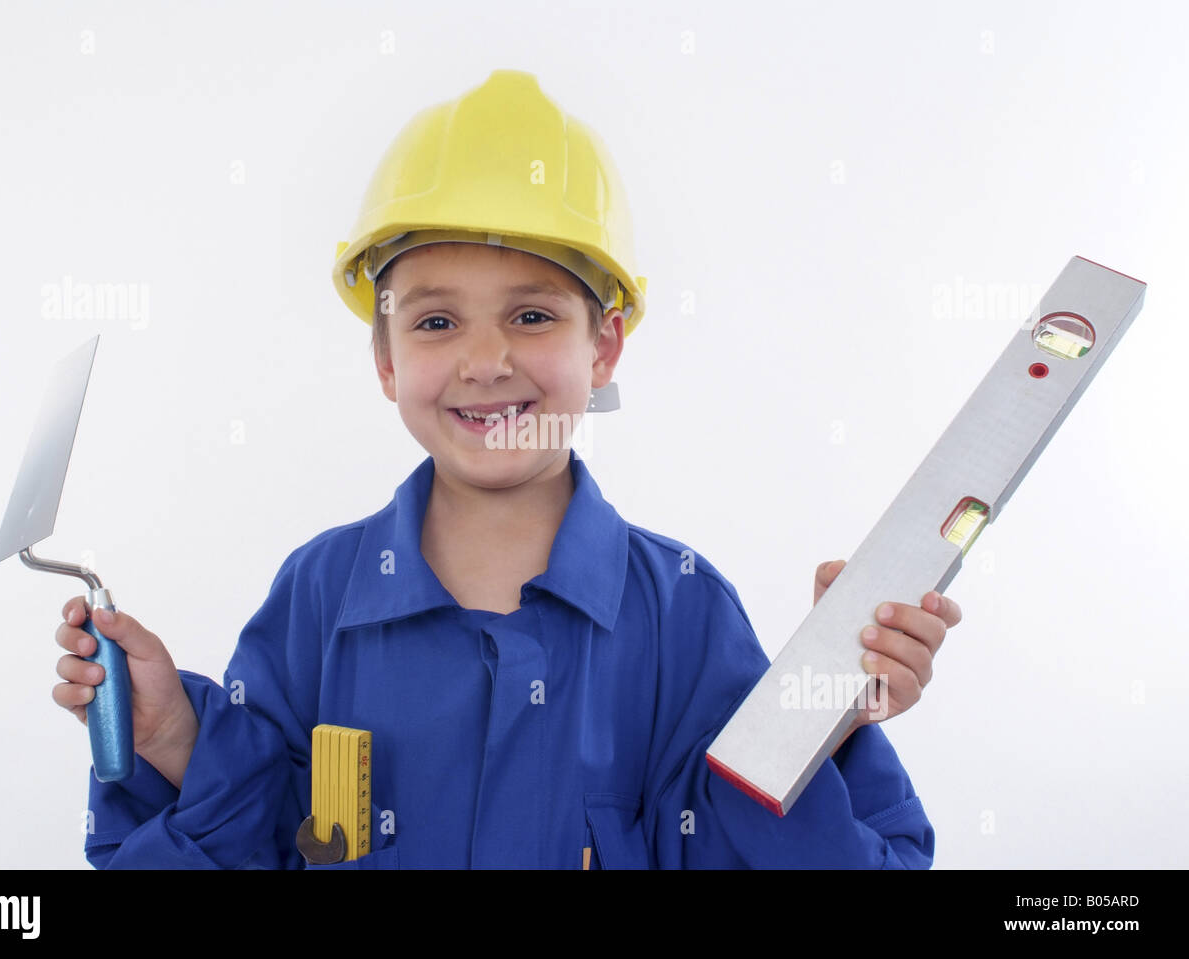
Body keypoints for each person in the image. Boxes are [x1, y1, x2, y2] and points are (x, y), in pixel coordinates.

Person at [52, 69, 961, 868]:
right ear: (386, 360)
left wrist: (821, 707)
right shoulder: (320, 597)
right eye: (437, 322)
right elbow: (274, 843)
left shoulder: (683, 613)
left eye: (531, 316)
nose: (485, 361)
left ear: (603, 346)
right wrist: (175, 738)